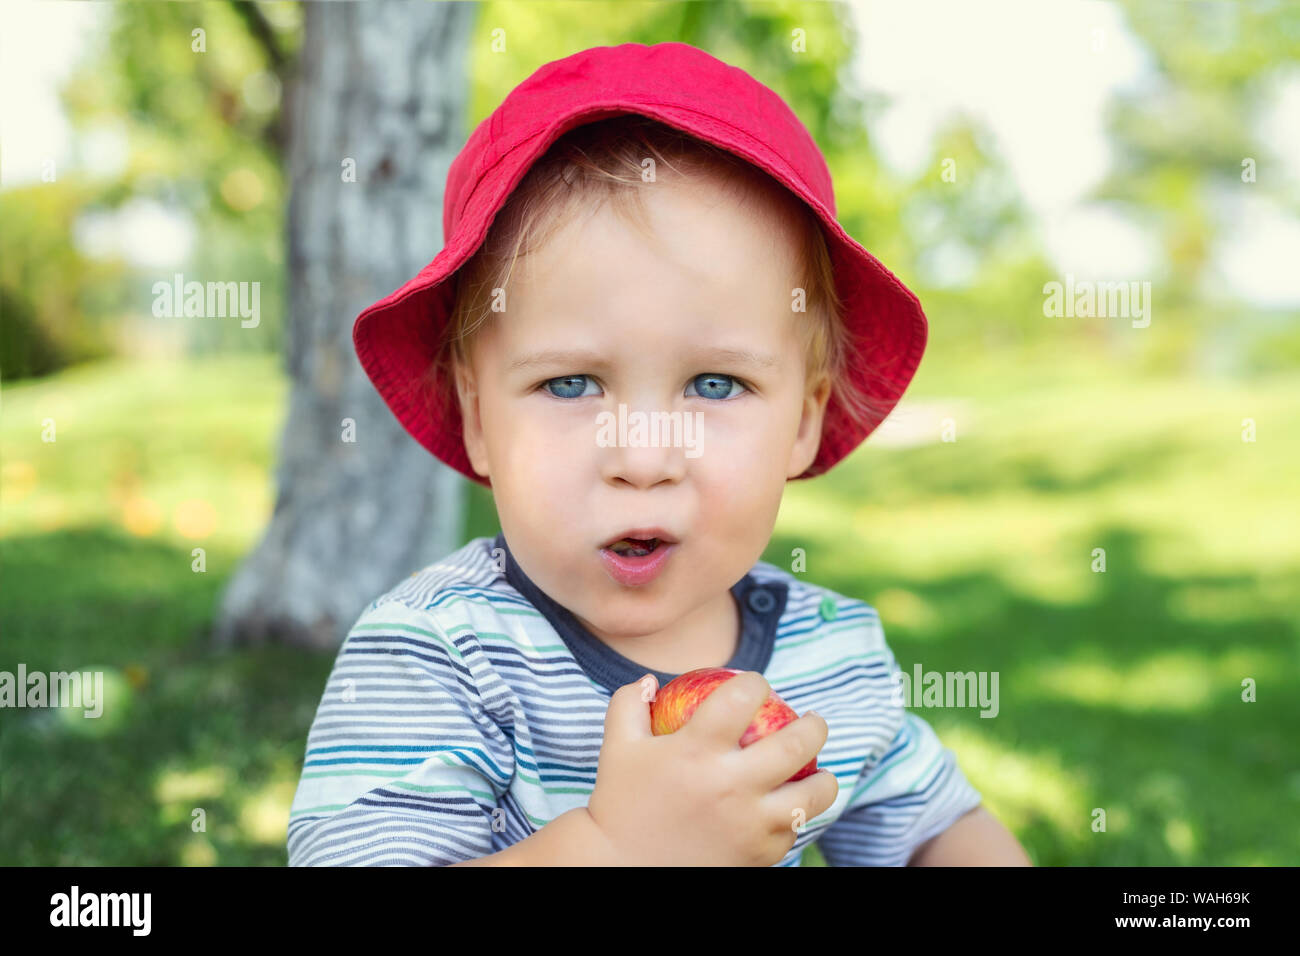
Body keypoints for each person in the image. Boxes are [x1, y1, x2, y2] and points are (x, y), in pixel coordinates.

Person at [288, 41, 1031, 867]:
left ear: (803, 419)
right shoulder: (440, 653)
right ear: (475, 414)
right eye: (571, 385)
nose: (643, 458)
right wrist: (618, 849)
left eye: (715, 385)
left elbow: (939, 833)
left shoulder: (831, 658)